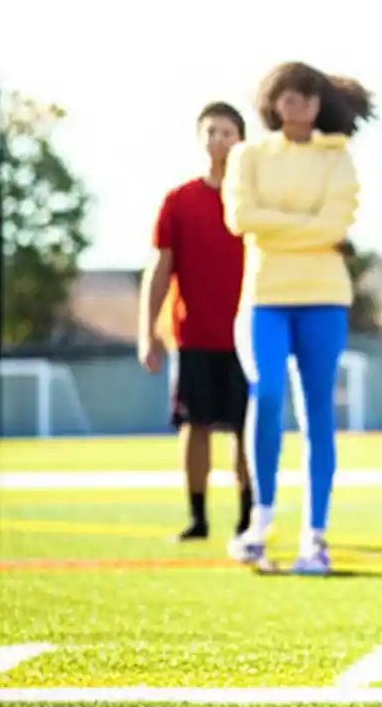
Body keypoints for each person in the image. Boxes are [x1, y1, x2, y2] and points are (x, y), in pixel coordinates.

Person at [221, 61, 375, 575]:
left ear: (320, 102)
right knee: (265, 393)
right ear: (272, 101)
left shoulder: (339, 158)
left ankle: (315, 536)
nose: (299, 104)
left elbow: (336, 223)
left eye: (308, 95)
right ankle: (259, 522)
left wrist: (278, 228)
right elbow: (240, 218)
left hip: (324, 298)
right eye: (288, 94)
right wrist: (312, 228)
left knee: (318, 414)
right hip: (264, 297)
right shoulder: (247, 155)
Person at [137, 101, 252, 543]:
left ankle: (249, 518)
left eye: (227, 132)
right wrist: (146, 331)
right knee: (194, 425)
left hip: (247, 335)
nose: (218, 140)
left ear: (241, 140)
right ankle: (198, 517)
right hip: (194, 335)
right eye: (211, 132)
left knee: (246, 428)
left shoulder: (253, 202)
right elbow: (160, 269)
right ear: (200, 139)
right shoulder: (179, 201)